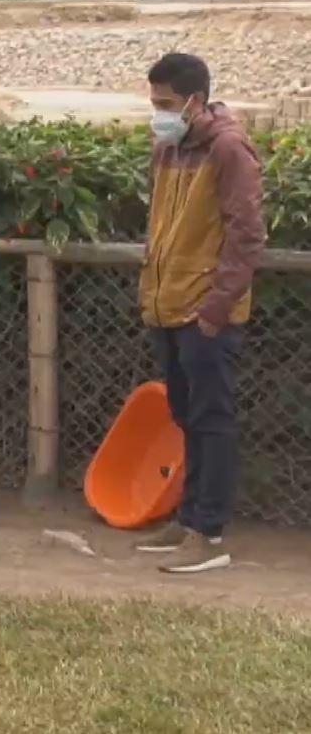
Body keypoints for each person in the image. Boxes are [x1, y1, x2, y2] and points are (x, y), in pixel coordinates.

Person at [132, 53, 265, 573]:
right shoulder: (169, 147)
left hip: (205, 313)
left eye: (164, 104)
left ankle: (209, 534)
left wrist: (214, 308)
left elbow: (247, 234)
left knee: (212, 421)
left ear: (194, 100)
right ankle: (188, 520)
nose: (157, 114)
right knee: (187, 416)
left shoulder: (230, 148)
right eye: (153, 103)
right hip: (168, 306)